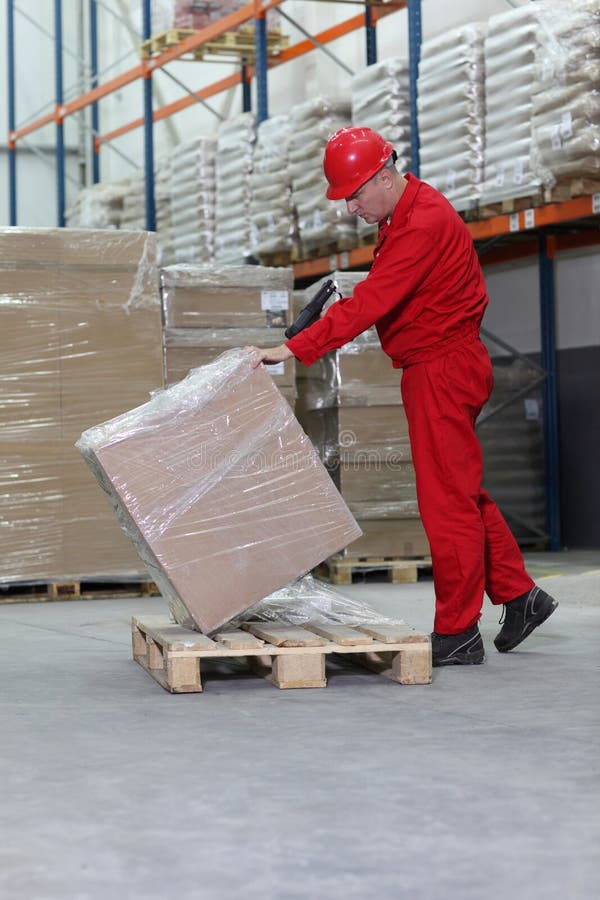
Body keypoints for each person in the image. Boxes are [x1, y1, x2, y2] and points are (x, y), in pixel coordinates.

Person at [247, 126, 558, 667]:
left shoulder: (422, 223)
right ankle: (519, 593)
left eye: (355, 195)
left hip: (443, 368)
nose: (351, 208)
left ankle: (458, 632)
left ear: (384, 177)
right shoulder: (404, 216)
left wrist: (293, 347)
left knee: (447, 503)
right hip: (436, 366)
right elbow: (385, 291)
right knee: (459, 489)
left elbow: (372, 302)